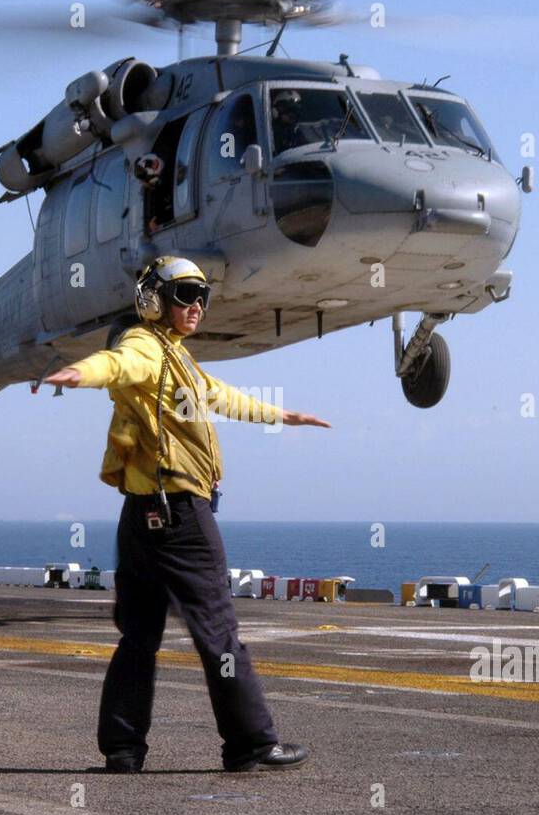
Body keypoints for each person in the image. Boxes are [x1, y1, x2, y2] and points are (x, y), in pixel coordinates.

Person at [42, 256, 331, 773]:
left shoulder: (179, 359)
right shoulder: (146, 347)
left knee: (139, 636)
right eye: (183, 294)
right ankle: (251, 743)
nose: (196, 305)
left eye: (202, 296)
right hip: (180, 515)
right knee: (218, 631)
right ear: (153, 299)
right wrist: (80, 373)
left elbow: (224, 397)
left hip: (140, 518)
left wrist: (283, 416)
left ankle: (124, 751)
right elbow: (117, 364)